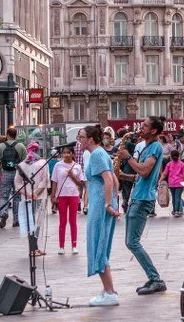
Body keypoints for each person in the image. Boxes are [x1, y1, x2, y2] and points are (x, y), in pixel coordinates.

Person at [116, 116, 166, 295]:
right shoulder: (146, 147)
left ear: (153, 130)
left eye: (145, 126)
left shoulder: (155, 147)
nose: (140, 128)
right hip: (137, 196)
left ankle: (155, 278)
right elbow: (140, 175)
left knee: (132, 242)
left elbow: (144, 171)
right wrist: (123, 176)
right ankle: (153, 278)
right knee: (131, 242)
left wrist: (128, 157)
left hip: (143, 199)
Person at [82, 125, 122, 306]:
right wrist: (113, 200)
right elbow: (114, 180)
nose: (79, 139)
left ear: (90, 139)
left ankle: (109, 292)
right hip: (102, 203)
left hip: (100, 205)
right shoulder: (100, 154)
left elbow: (108, 179)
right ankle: (109, 290)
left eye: (81, 136)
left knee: (98, 244)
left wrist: (106, 203)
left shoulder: (97, 154)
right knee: (101, 245)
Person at [14, 142, 50, 254]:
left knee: (30, 222)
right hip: (38, 197)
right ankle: (33, 248)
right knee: (37, 223)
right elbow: (45, 180)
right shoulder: (43, 163)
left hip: (27, 198)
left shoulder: (21, 165)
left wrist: (29, 194)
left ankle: (34, 248)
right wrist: (36, 193)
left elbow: (17, 183)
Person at [51, 146, 84, 254]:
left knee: (73, 221)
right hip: (62, 196)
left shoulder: (77, 166)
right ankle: (61, 246)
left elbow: (81, 183)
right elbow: (54, 181)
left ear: (73, 154)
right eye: (64, 153)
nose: (66, 155)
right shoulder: (58, 165)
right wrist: (53, 195)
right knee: (62, 221)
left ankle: (74, 245)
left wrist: (72, 175)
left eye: (68, 152)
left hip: (73, 195)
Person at [0, 127, 26, 229]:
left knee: (4, 196)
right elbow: (25, 163)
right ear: (16, 135)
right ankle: (16, 220)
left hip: (5, 172)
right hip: (17, 174)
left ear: (7, 135)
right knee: (17, 197)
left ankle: (3, 212)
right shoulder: (21, 146)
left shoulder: (1, 146)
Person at [160, 149, 184, 217]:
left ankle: (174, 210)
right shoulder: (182, 164)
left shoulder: (169, 164)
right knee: (178, 197)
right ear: (179, 156)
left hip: (171, 183)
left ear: (171, 156)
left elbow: (165, 174)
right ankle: (177, 211)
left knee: (174, 197)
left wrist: (160, 180)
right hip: (180, 183)